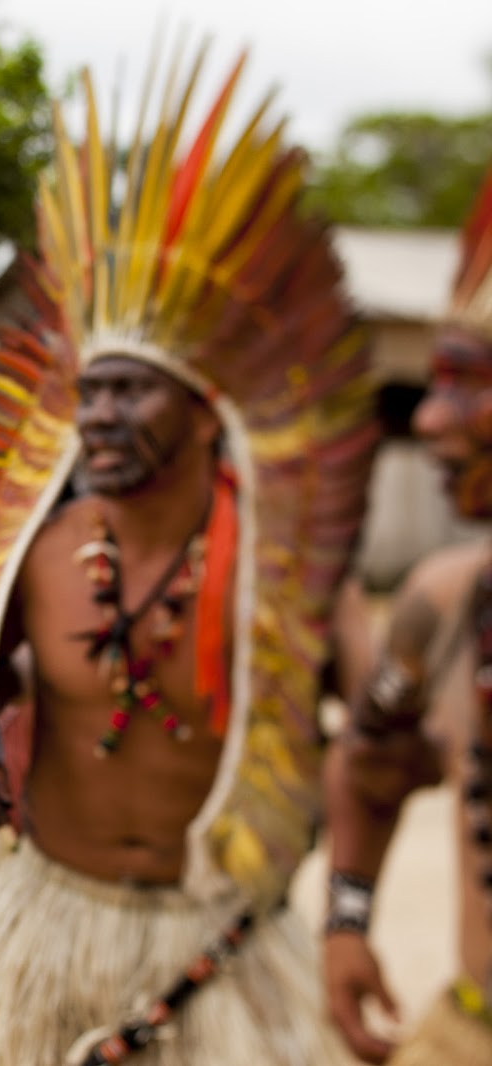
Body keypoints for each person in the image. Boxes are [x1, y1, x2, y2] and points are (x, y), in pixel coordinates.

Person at [0, 50, 377, 1065]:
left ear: (205, 402)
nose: (101, 416)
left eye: (130, 390)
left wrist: (348, 913)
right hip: (49, 923)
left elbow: (372, 749)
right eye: (90, 391)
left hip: (213, 947)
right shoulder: (32, 559)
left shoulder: (288, 572)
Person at [323, 162, 492, 1065]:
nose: (430, 420)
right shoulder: (445, 598)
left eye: (470, 384)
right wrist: (348, 919)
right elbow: (371, 756)